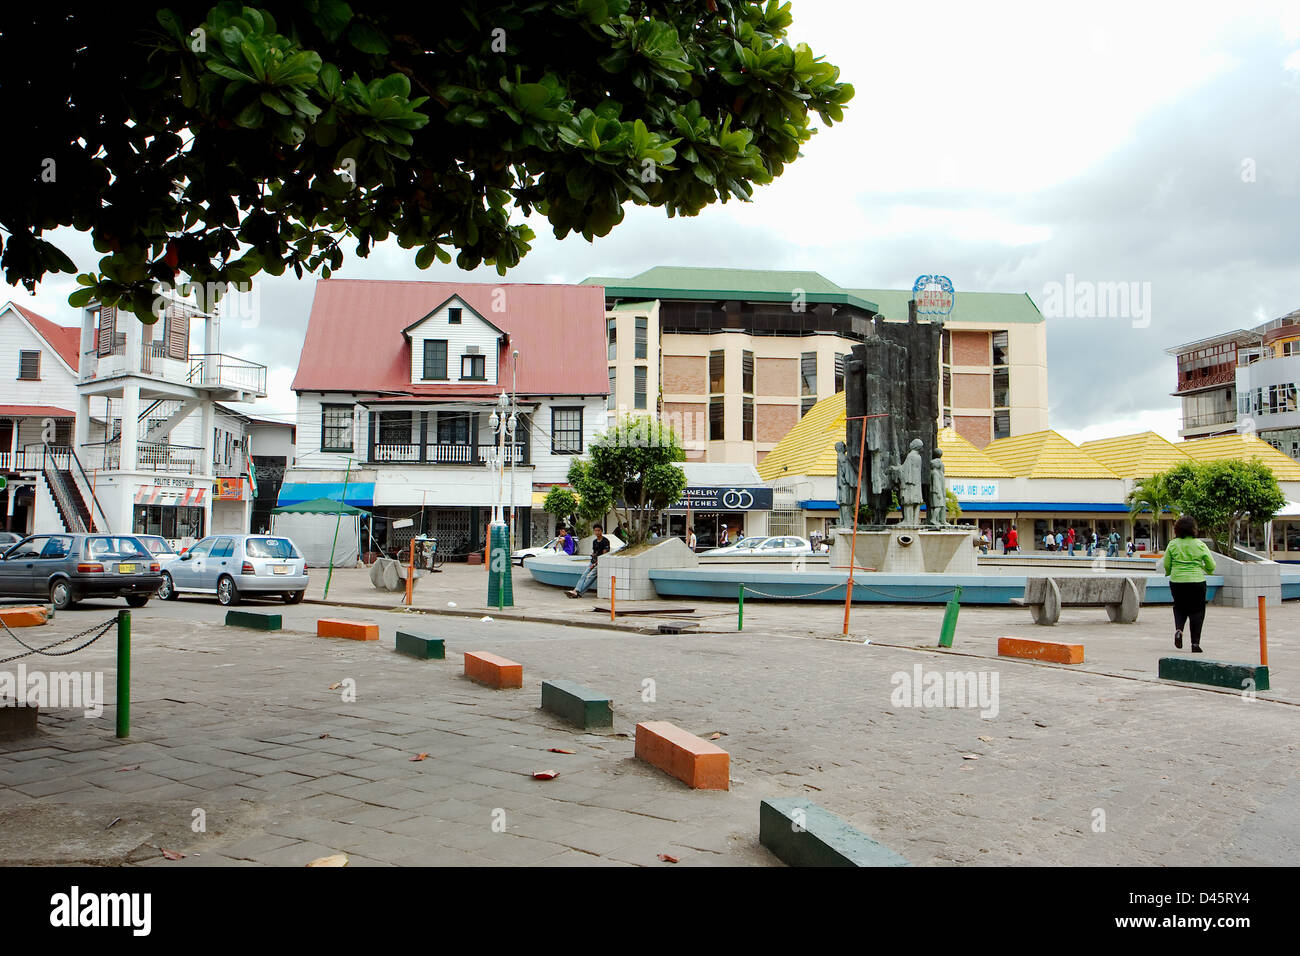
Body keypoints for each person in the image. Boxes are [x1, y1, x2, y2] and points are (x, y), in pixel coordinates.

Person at [1163, 515, 1216, 652]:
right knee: (1197, 611)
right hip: (1197, 581)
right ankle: (1195, 644)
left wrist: (1169, 572)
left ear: (1177, 529)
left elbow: (1167, 564)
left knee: (1179, 607)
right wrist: (1207, 570)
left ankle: (1179, 630)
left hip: (1177, 581)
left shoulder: (1173, 544)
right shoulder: (1199, 544)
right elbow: (1211, 565)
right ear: (1194, 529)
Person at [568, 524, 611, 598]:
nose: (597, 532)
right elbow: (595, 552)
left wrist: (596, 564)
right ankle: (577, 590)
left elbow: (604, 555)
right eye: (595, 531)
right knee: (584, 575)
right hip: (593, 561)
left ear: (601, 531)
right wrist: (593, 555)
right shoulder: (594, 541)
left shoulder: (605, 541)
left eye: (598, 530)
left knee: (590, 576)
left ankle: (578, 592)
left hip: (600, 563)